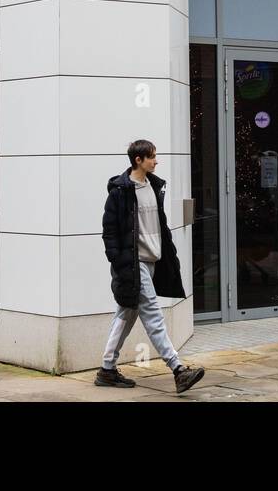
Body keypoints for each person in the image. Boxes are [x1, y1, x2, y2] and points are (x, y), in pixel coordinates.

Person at [96, 139, 205, 393]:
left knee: (125, 314)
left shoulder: (154, 186)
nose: (156, 161)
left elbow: (158, 226)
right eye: (152, 157)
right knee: (153, 315)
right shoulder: (120, 192)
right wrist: (120, 263)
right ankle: (178, 370)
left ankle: (107, 370)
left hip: (152, 260)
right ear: (138, 160)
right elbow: (109, 233)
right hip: (134, 264)